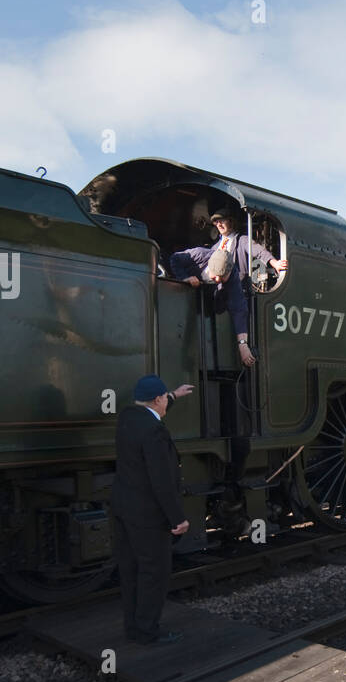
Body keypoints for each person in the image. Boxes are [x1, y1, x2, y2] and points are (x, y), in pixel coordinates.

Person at [111, 374, 194, 645]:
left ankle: (133, 628)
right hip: (148, 515)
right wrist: (178, 518)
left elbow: (153, 406)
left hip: (123, 508)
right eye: (164, 399)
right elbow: (162, 480)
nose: (166, 403)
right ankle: (147, 630)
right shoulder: (154, 431)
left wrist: (174, 395)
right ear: (157, 400)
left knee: (130, 571)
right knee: (153, 571)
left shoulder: (126, 418)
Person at [168, 209, 288, 368]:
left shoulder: (241, 243)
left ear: (231, 222)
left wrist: (274, 263)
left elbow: (258, 252)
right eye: (215, 222)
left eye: (222, 220)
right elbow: (174, 259)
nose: (218, 224)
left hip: (234, 292)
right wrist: (185, 278)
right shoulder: (204, 252)